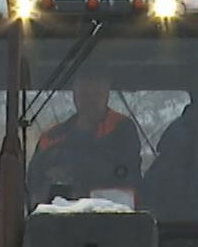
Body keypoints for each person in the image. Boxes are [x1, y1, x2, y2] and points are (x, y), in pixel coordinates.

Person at [26, 67, 144, 205]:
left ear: (107, 94)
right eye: (85, 94)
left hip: (114, 214)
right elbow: (34, 183)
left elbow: (122, 172)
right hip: (60, 215)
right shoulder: (51, 138)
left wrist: (68, 168)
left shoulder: (122, 128)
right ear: (75, 95)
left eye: (97, 94)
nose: (91, 100)